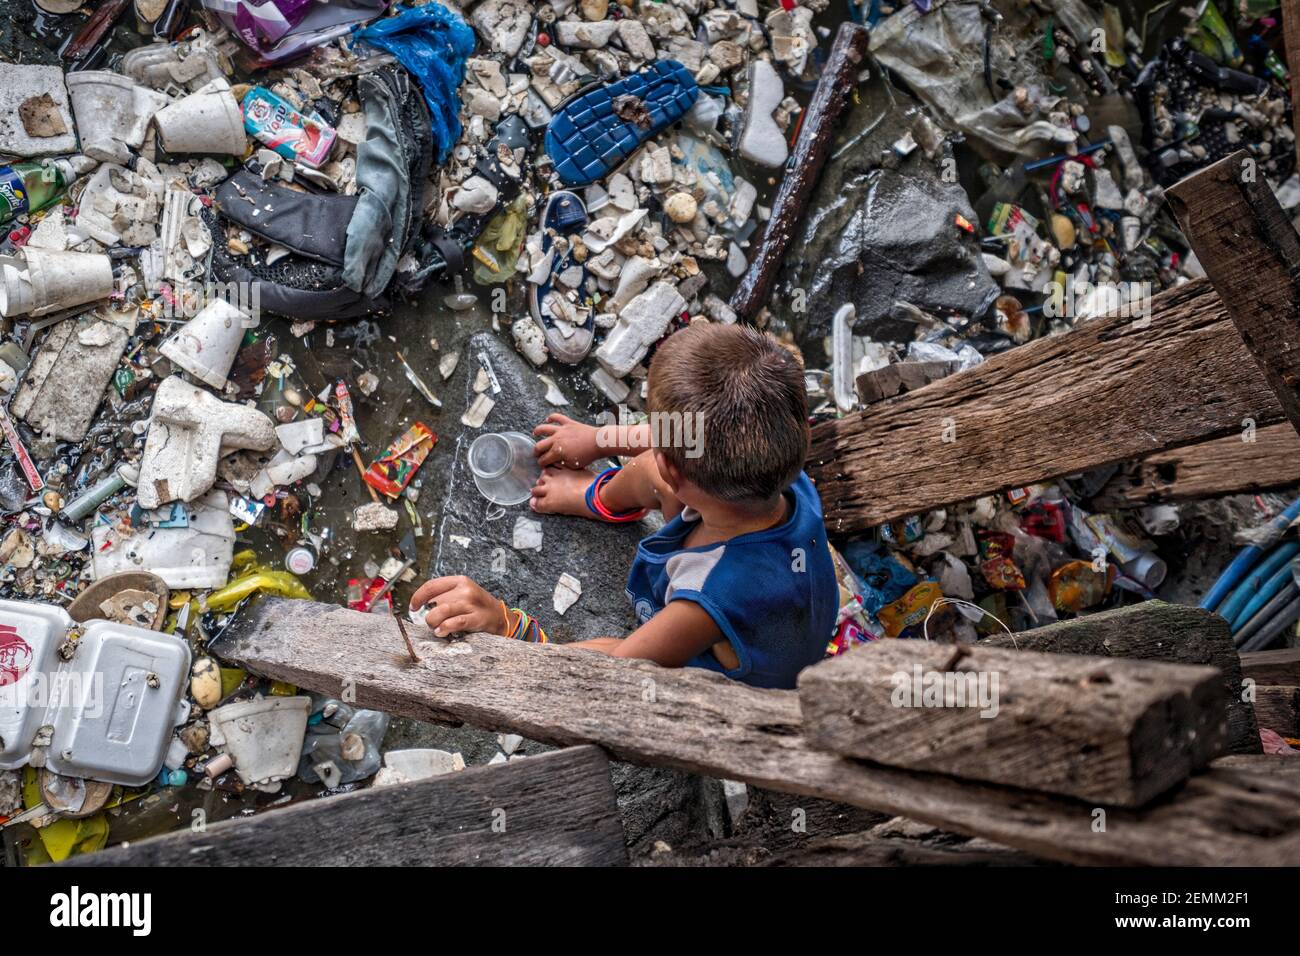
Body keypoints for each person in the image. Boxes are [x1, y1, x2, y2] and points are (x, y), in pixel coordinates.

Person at [409, 322, 839, 689]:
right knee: (652, 465)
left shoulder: (705, 602)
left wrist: (504, 626)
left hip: (727, 659)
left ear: (675, 472)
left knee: (616, 657)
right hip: (767, 576)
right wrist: (596, 441)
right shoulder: (778, 461)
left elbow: (612, 676)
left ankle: (523, 633)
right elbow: (671, 440)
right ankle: (595, 498)